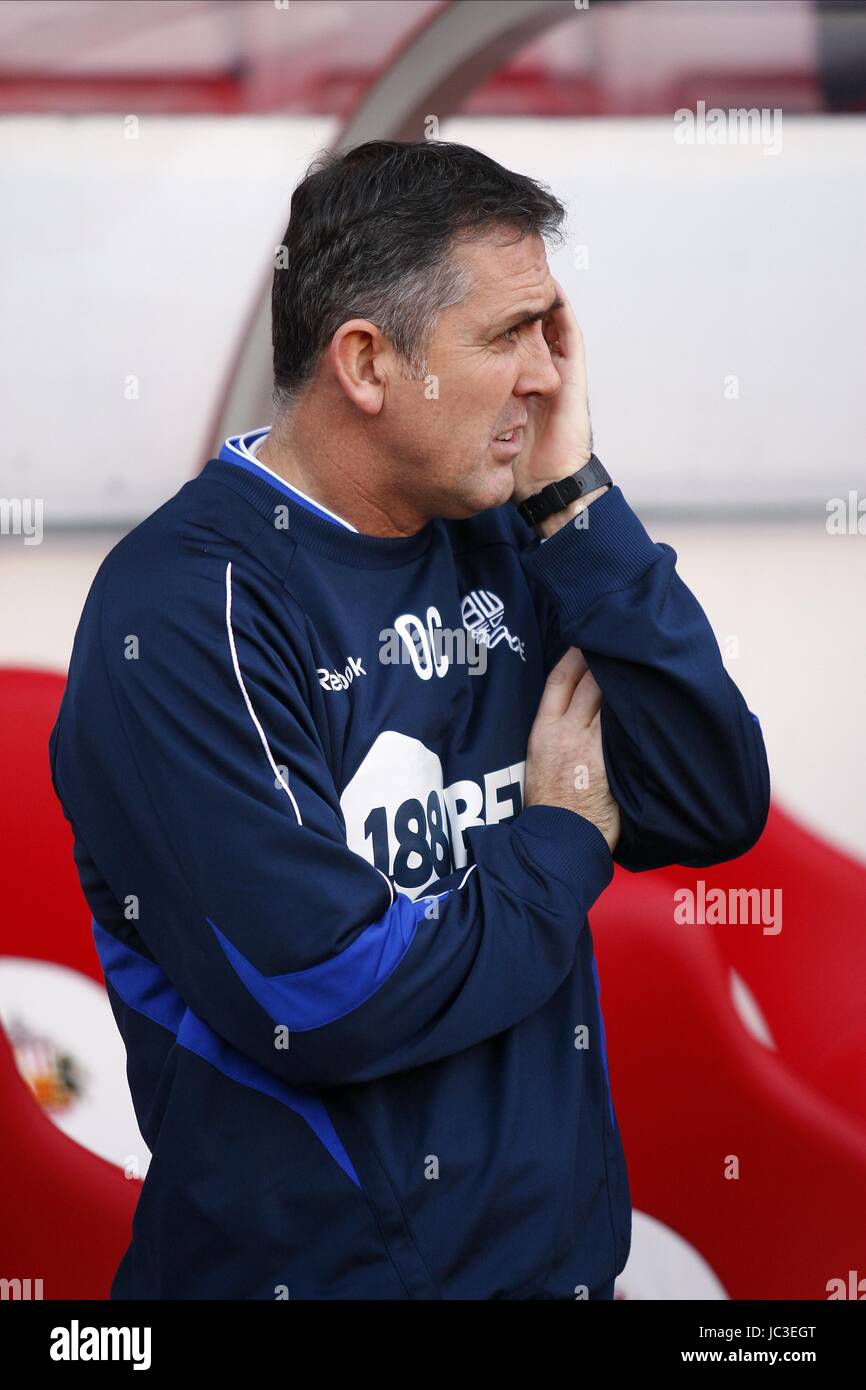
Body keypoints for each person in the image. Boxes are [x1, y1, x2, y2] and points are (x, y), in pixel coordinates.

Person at [48, 139, 770, 1300]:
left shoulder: (512, 529)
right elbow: (323, 991)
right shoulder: (187, 609)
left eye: (553, 332)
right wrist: (560, 842)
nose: (545, 376)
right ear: (367, 364)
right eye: (506, 336)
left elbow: (709, 798)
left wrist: (574, 498)